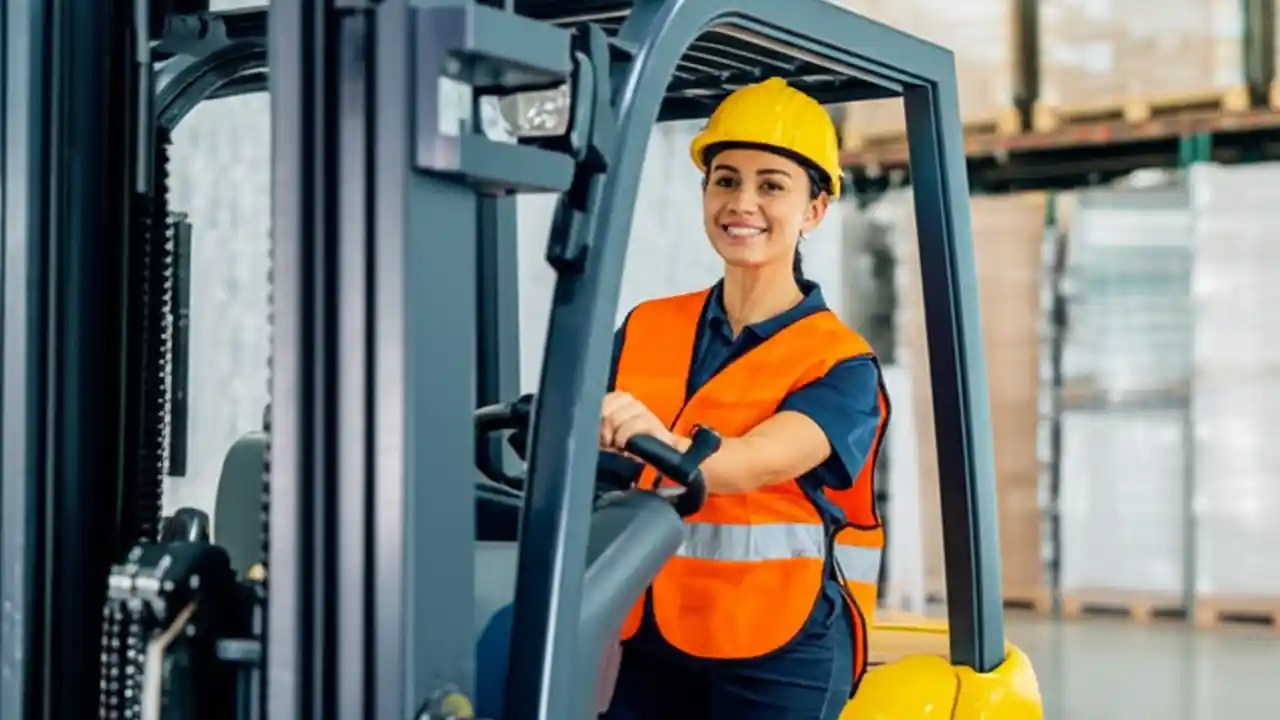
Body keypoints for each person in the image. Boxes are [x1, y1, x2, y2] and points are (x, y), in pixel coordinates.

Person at [595, 77, 891, 720]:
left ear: (814, 210)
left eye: (771, 184)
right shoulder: (648, 324)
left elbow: (755, 462)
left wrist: (655, 437)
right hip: (652, 626)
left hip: (778, 644)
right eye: (725, 180)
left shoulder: (840, 363)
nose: (742, 202)